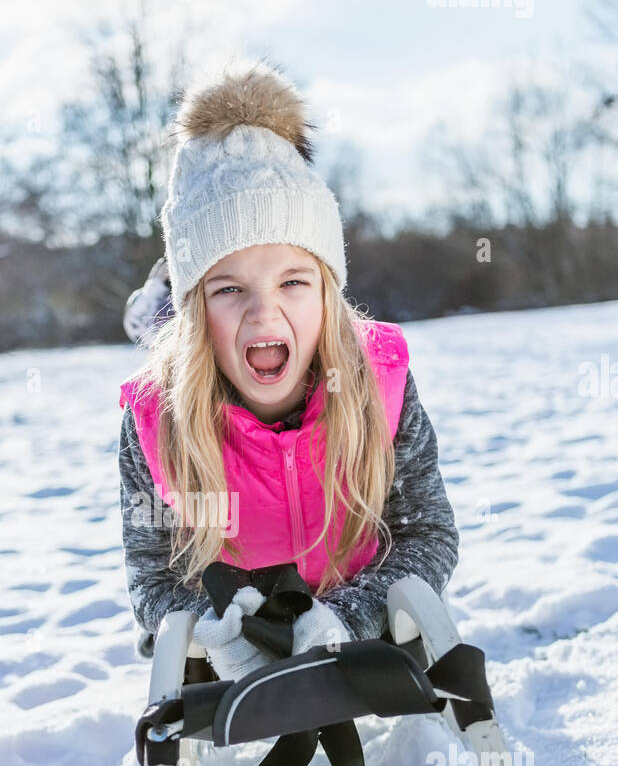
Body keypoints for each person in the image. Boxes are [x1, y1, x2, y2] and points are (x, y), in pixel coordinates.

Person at [118, 56, 459, 677]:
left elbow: (427, 534)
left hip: (360, 616)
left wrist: (345, 617)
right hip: (231, 634)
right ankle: (155, 302)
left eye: (294, 281)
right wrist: (212, 629)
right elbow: (151, 575)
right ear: (194, 308)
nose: (264, 314)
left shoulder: (378, 382)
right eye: (227, 290)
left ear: (329, 290)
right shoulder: (155, 418)